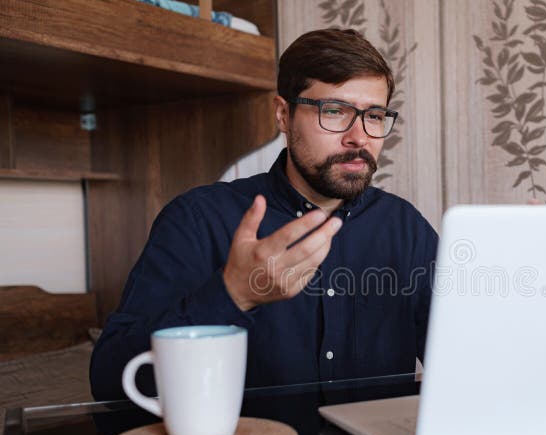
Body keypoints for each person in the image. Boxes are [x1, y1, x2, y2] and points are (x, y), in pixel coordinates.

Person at [90, 29, 438, 401]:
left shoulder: (406, 230)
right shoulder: (197, 219)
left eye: (374, 115)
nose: (359, 137)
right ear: (283, 115)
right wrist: (233, 294)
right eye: (334, 112)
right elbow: (111, 381)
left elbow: (465, 361)